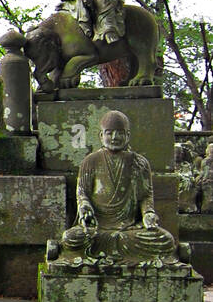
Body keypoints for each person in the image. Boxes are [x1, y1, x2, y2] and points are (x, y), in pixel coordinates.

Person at [58, 110, 177, 263]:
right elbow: (82, 192)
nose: (114, 137)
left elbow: (146, 195)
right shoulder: (91, 161)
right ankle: (119, 250)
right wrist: (85, 207)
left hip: (129, 229)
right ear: (101, 136)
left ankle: (110, 250)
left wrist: (148, 214)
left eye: (120, 133)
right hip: (97, 228)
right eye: (109, 133)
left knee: (166, 240)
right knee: (70, 238)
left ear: (128, 136)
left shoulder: (140, 163)